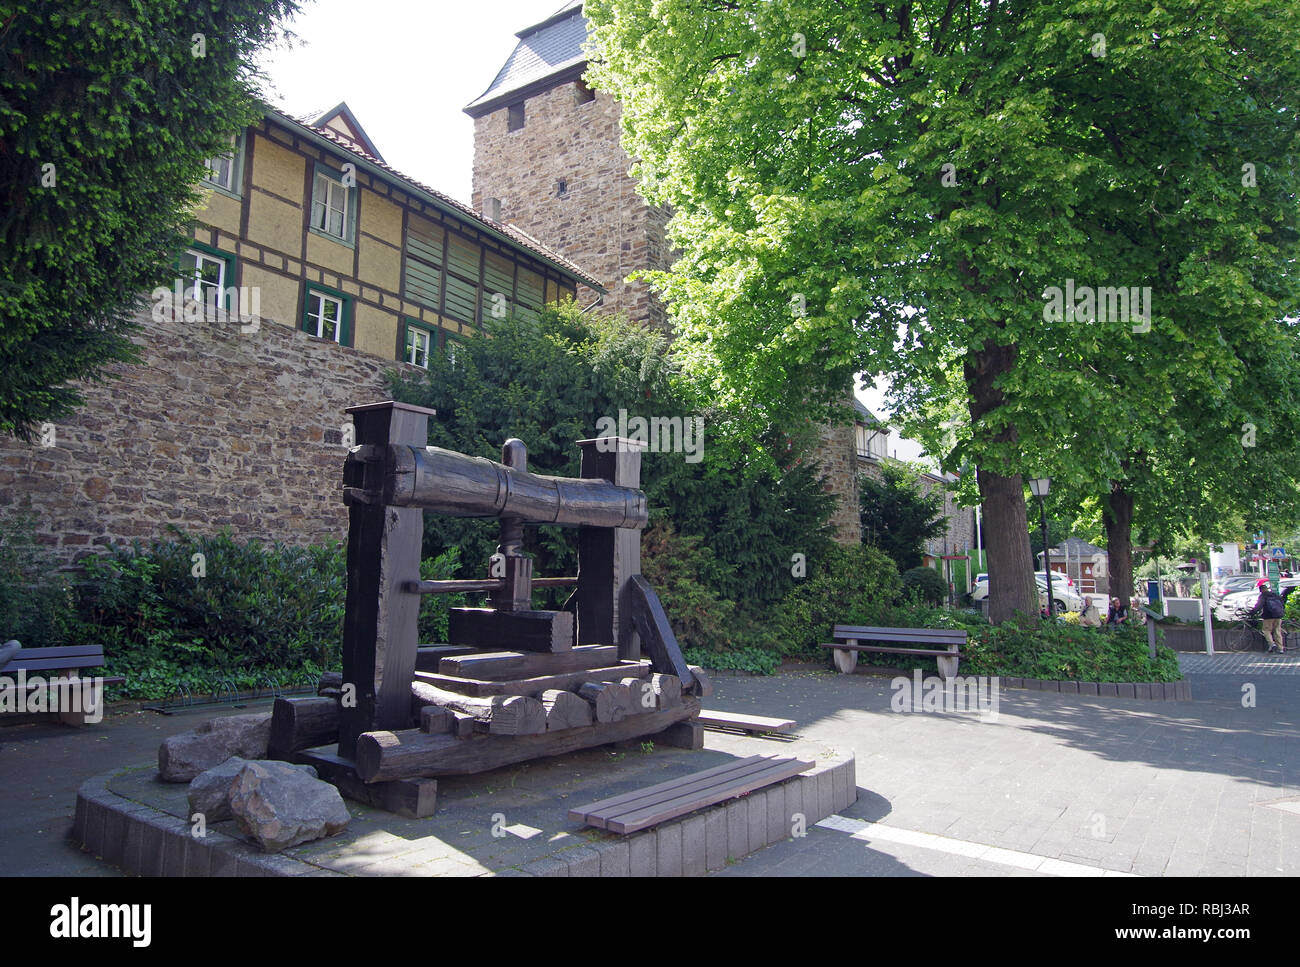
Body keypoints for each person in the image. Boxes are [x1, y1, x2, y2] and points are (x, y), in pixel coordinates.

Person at [1247, 578, 1287, 653]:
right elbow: (1282, 604)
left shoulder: (1263, 596)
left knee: (1266, 630)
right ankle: (1281, 648)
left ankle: (1272, 644)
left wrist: (1252, 613)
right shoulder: (1275, 595)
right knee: (1277, 631)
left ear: (1261, 590)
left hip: (1268, 616)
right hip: (1278, 615)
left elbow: (1258, 606)